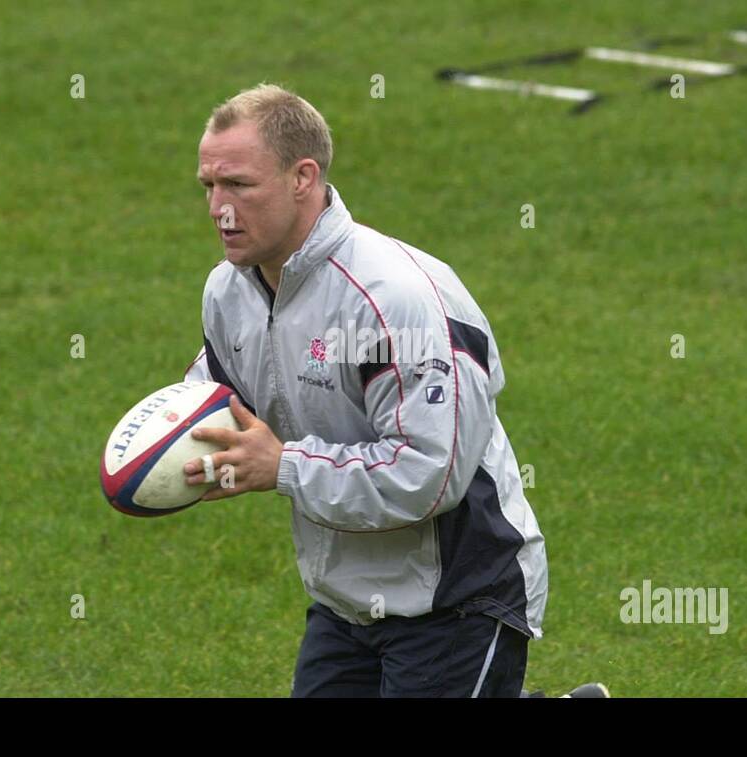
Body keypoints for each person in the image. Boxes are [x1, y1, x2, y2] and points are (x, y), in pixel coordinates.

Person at [180, 83, 547, 697]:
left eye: (239, 185)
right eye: (208, 187)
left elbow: (430, 474)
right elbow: (213, 402)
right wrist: (160, 456)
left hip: (458, 595)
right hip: (346, 602)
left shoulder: (394, 300)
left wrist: (285, 466)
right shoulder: (230, 290)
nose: (219, 208)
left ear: (304, 177)